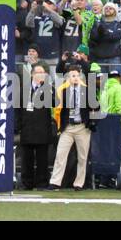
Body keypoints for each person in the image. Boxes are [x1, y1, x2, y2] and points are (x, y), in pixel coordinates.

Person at [49, 63, 95, 191]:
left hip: (82, 127)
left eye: (77, 75)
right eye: (72, 75)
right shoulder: (62, 89)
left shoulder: (87, 90)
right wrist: (59, 125)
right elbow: (57, 109)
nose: (75, 78)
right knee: (60, 154)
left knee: (82, 156)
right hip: (68, 127)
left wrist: (92, 120)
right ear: (68, 77)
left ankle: (79, 183)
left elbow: (96, 106)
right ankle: (55, 182)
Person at [19, 63, 56, 190]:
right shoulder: (24, 89)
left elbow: (55, 102)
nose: (41, 75)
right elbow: (17, 109)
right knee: (26, 159)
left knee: (42, 159)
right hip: (27, 128)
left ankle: (42, 183)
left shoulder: (48, 88)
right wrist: (18, 127)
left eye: (43, 73)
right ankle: (26, 183)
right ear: (33, 74)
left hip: (42, 128)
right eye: (38, 72)